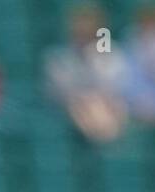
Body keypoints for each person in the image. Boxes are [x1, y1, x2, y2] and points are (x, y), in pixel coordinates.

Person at [43, 4, 128, 144]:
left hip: (106, 105)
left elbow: (114, 85)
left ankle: (102, 141)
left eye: (87, 30)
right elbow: (59, 90)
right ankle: (102, 143)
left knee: (103, 105)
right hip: (72, 107)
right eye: (79, 29)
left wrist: (92, 58)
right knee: (82, 105)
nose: (82, 33)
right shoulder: (58, 56)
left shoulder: (109, 52)